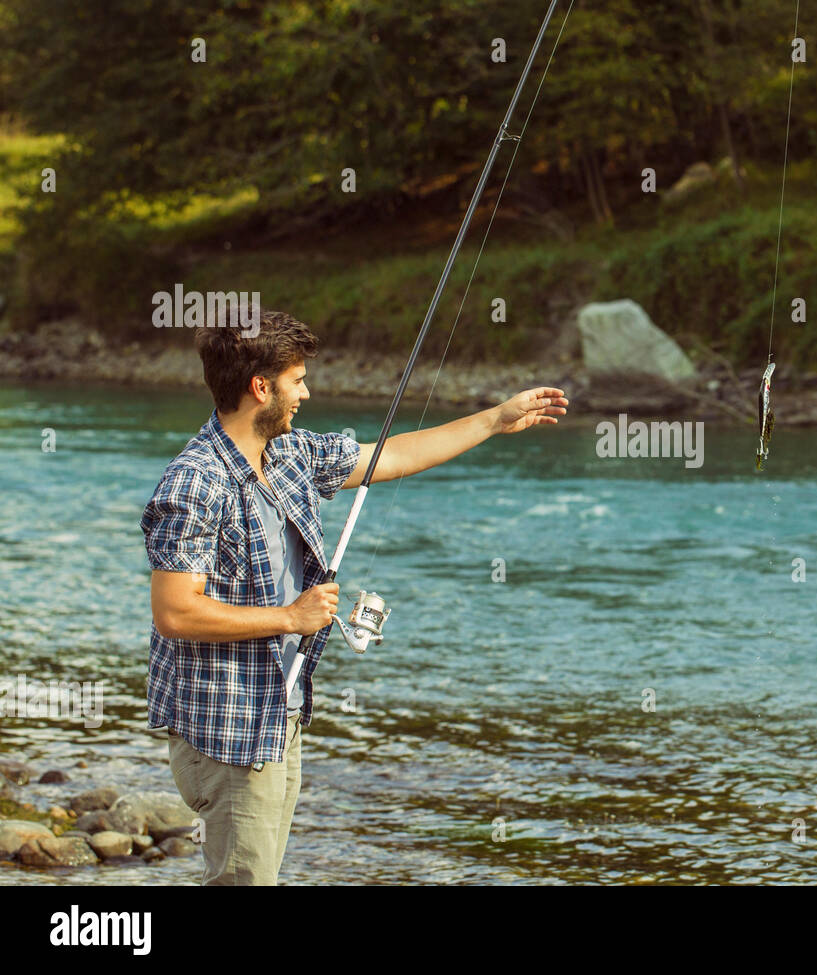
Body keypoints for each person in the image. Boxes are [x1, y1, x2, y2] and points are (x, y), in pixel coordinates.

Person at [140, 310, 566, 885]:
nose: (307, 393)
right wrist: (290, 618)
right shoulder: (194, 484)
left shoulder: (287, 454)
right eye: (297, 381)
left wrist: (494, 419)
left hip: (277, 713)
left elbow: (388, 457)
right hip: (226, 729)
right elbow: (174, 611)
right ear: (259, 388)